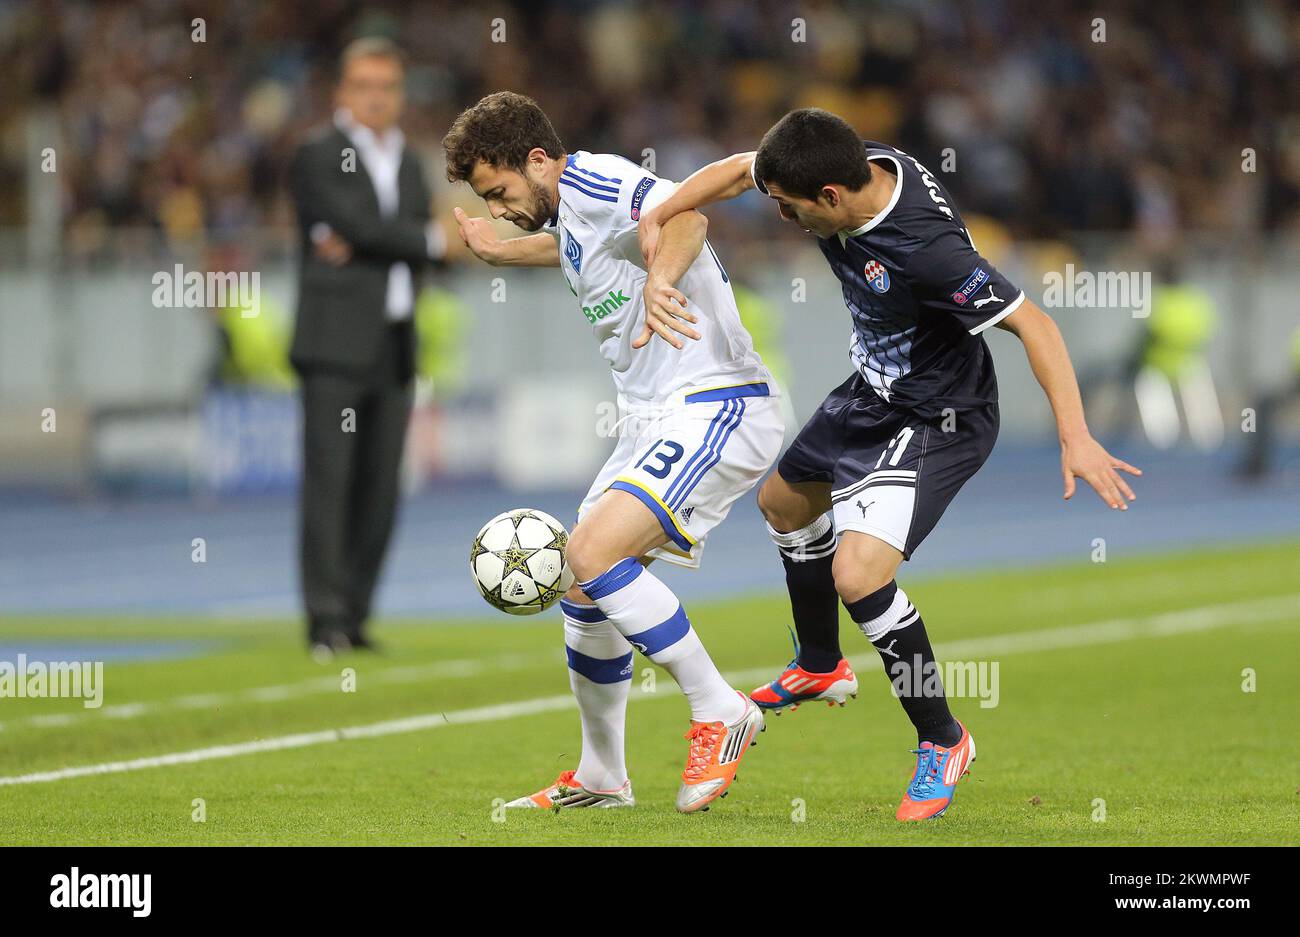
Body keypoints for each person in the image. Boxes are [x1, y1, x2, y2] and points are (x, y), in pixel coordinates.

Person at [639, 108, 1143, 820]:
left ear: (833, 200)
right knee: (782, 504)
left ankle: (944, 738)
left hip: (941, 414)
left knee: (858, 575)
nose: (780, 216)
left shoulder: (926, 251)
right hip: (872, 390)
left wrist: (1076, 435)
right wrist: (661, 215)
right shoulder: (841, 160)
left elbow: (1037, 323)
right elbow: (730, 172)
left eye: (788, 209)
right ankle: (820, 663)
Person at [443, 91, 785, 813]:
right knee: (579, 579)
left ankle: (720, 708)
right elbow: (576, 250)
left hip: (714, 400)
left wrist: (661, 277)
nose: (500, 206)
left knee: (594, 553)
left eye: (501, 192)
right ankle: (602, 775)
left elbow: (683, 215)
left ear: (539, 160)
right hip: (652, 419)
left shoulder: (595, 179)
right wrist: (497, 248)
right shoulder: (570, 215)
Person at [288, 38, 448, 657]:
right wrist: (427, 239)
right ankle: (324, 620)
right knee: (331, 485)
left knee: (380, 487)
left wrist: (386, 242)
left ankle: (354, 616)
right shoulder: (317, 152)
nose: (376, 97)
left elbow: (368, 236)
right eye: (364, 85)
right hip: (334, 345)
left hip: (393, 341)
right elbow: (357, 225)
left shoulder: (408, 158)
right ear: (341, 93)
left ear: (400, 93)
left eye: (387, 86)